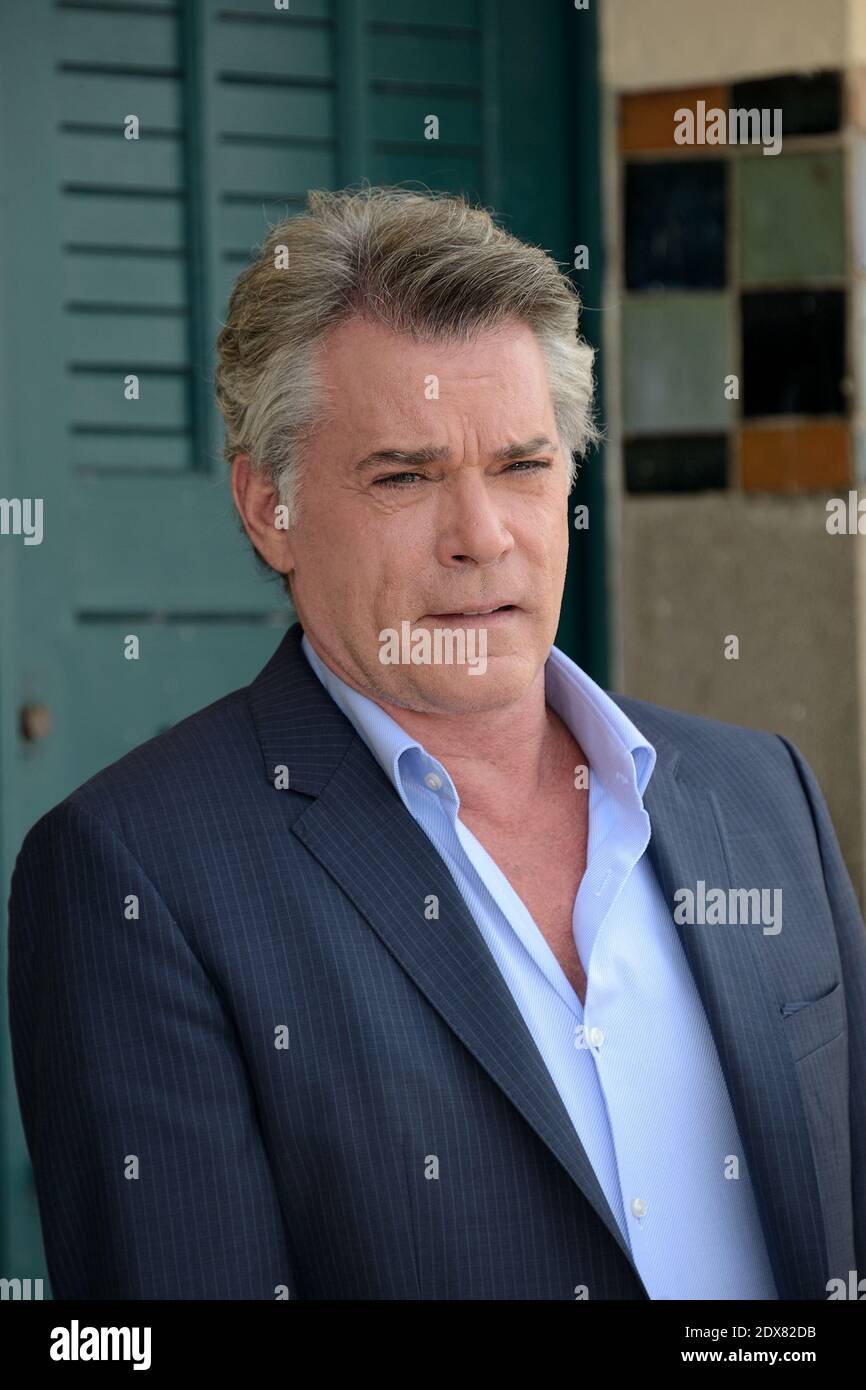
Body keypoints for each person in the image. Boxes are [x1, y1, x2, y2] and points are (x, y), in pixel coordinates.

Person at [8, 187, 865, 1300]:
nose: (481, 536)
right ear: (269, 506)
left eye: (520, 466)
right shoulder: (133, 878)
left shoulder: (763, 794)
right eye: (404, 476)